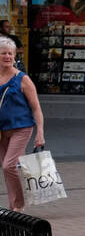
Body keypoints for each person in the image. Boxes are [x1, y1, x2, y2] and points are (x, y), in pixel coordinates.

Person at [0, 36, 46, 210]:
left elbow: (36, 108)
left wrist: (40, 133)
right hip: (1, 131)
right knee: (7, 170)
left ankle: (18, 206)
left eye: (10, 54)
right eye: (3, 53)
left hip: (21, 128)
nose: (8, 57)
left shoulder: (22, 79)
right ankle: (13, 206)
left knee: (8, 166)